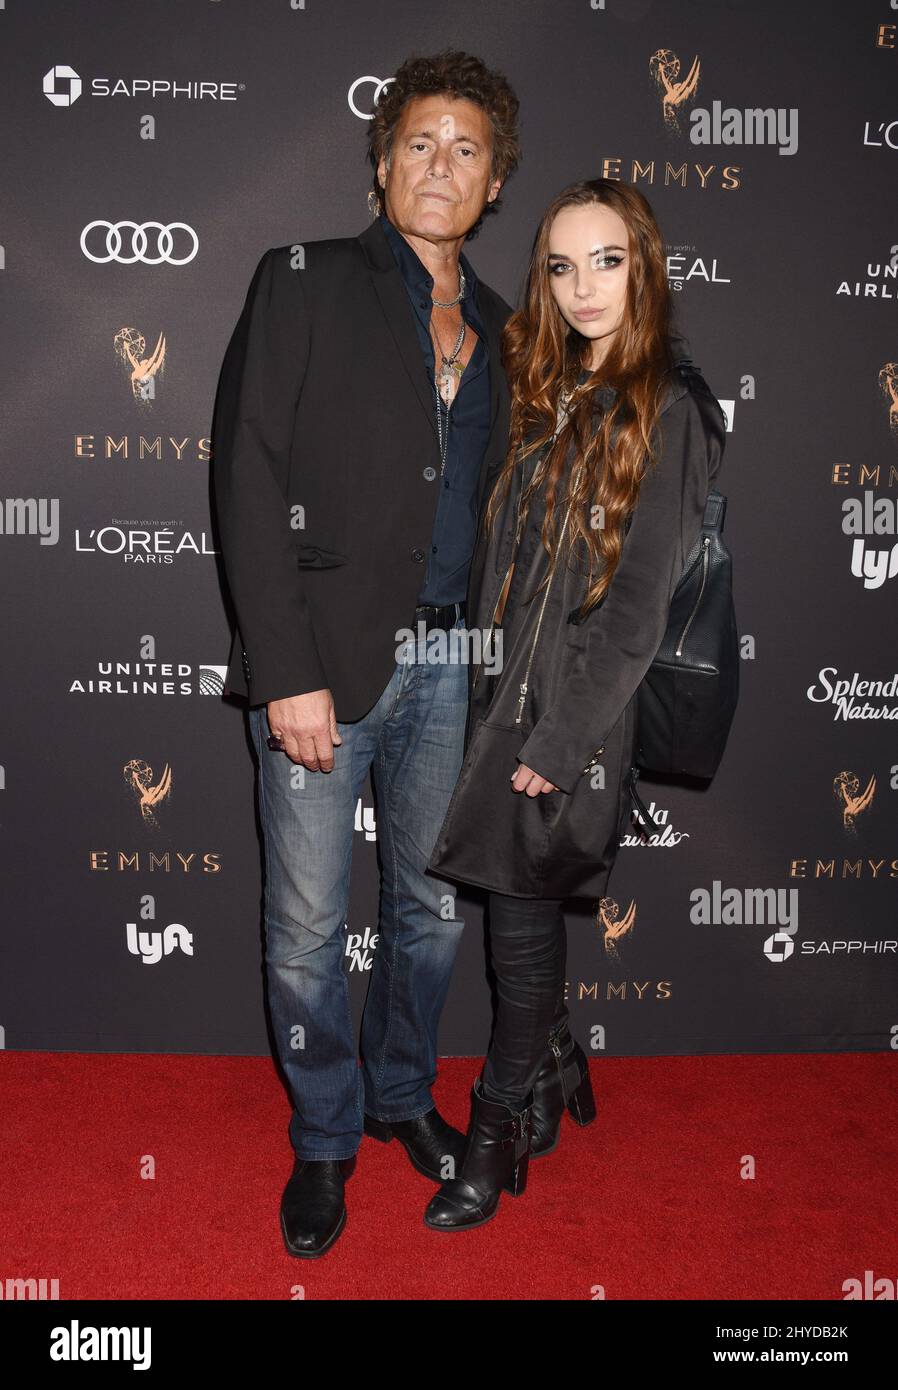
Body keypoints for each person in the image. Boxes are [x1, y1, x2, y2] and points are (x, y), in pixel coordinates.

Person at [210, 50, 520, 1257]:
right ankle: (326, 1136)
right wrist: (286, 668)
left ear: (494, 182)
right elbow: (247, 476)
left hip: (455, 671)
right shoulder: (302, 282)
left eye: (467, 149)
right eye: (418, 143)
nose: (440, 166)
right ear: (381, 159)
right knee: (302, 924)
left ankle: (401, 1095)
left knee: (434, 916)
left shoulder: (505, 327)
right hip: (322, 667)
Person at [422, 177, 728, 1230]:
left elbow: (638, 608)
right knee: (526, 904)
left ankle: (497, 1123)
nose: (584, 285)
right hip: (499, 693)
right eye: (561, 264)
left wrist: (558, 740)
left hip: (576, 719)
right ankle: (555, 1061)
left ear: (643, 265)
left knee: (516, 918)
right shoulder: (541, 382)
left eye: (607, 260)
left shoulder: (670, 405)